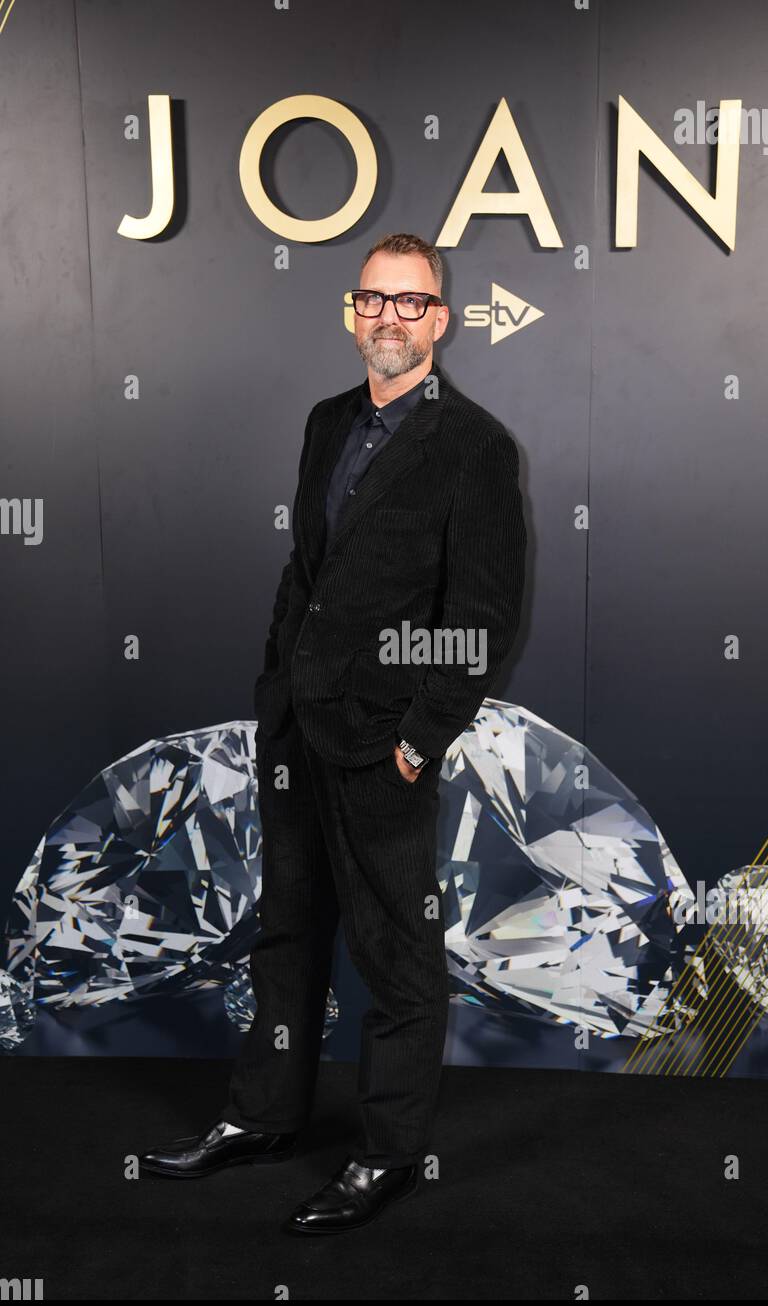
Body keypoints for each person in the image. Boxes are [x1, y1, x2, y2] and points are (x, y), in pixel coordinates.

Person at [139, 232, 527, 1235]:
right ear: (352, 312)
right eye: (373, 299)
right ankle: (263, 1114)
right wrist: (276, 691)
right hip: (295, 735)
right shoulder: (325, 423)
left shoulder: (476, 448)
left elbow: (481, 620)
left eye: (411, 302)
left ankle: (389, 1154)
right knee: (287, 933)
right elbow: (305, 576)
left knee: (395, 955)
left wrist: (415, 738)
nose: (389, 317)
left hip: (382, 745)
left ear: (439, 321)